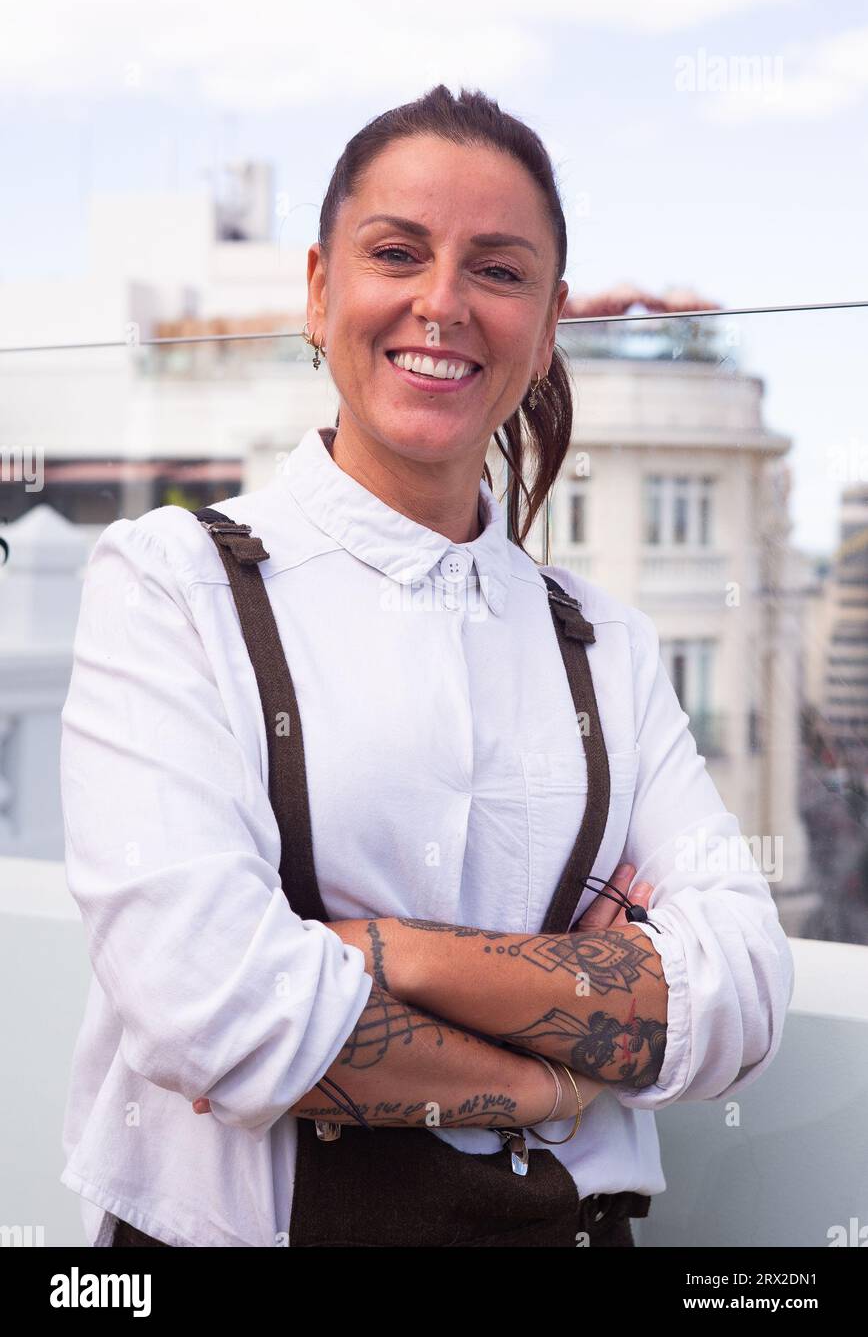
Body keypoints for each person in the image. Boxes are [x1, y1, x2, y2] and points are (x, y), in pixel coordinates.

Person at [59, 85, 794, 1248]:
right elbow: (213, 1013)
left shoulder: (606, 643)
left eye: (497, 271)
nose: (440, 303)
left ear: (548, 324)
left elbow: (739, 998)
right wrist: (558, 1080)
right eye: (396, 252)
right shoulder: (172, 582)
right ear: (317, 287)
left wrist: (390, 952)